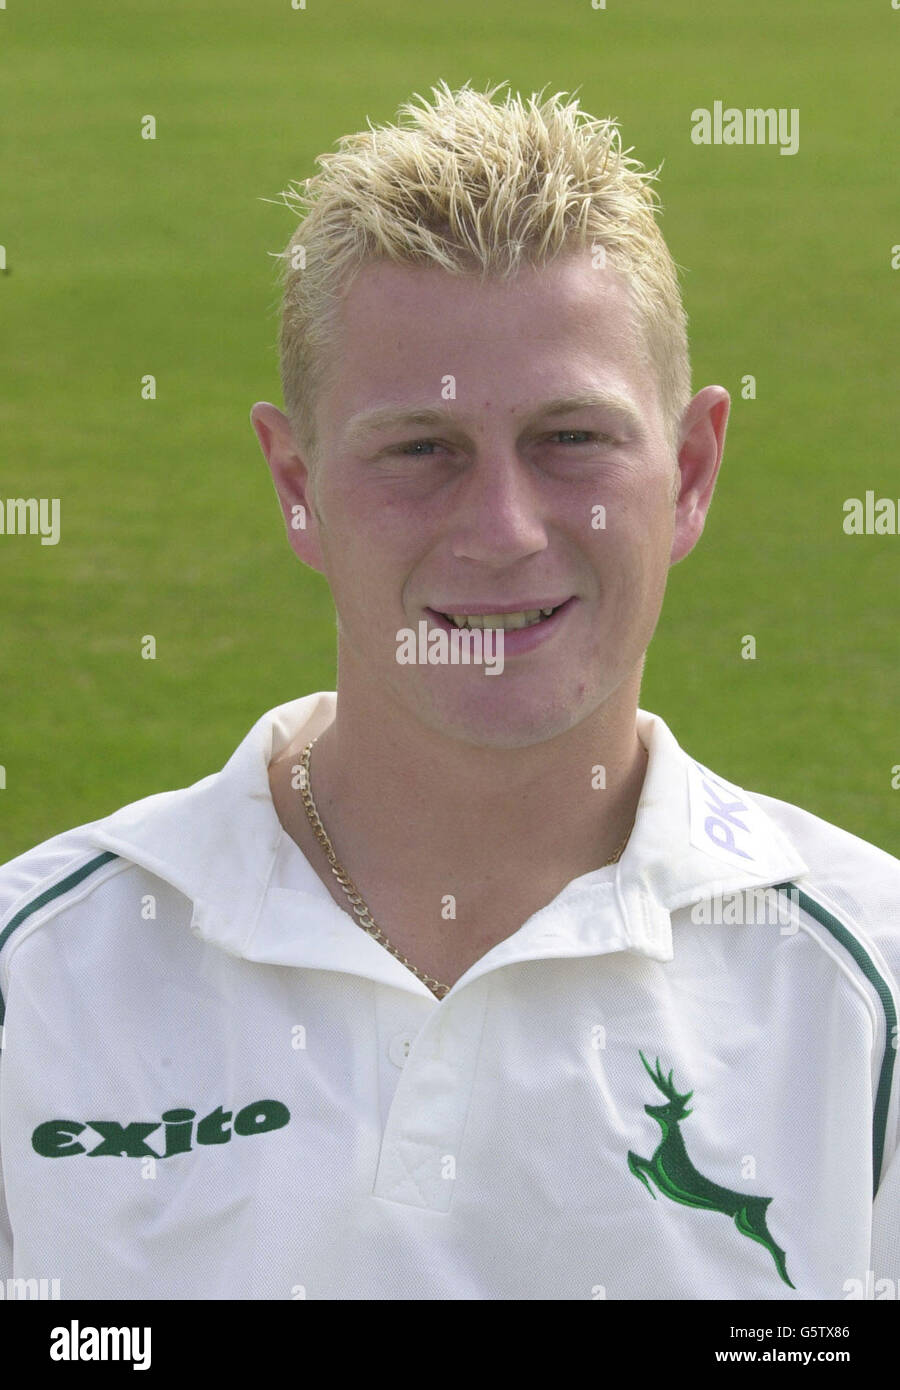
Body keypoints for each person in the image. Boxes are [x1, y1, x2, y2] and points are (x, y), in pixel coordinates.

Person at [0, 80, 897, 1301]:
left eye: (570, 438)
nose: (501, 529)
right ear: (297, 482)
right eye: (420, 447)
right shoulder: (37, 979)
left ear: (689, 473)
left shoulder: (868, 992)